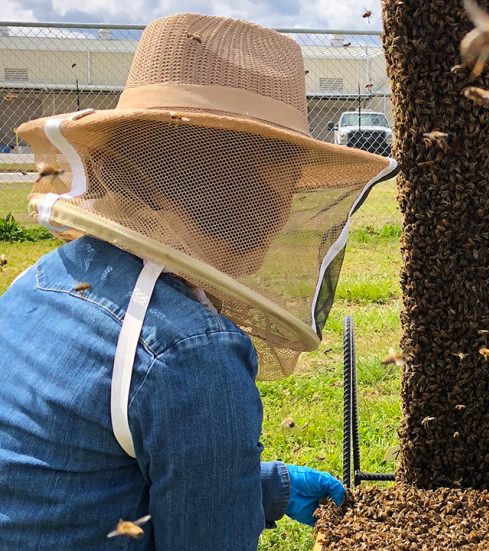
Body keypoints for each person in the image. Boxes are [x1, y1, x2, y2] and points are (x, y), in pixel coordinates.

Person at [0, 13, 395, 549]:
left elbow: (78, 478)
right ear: (246, 196)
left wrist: (266, 488)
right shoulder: (189, 350)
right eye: (285, 179)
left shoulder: (38, 282)